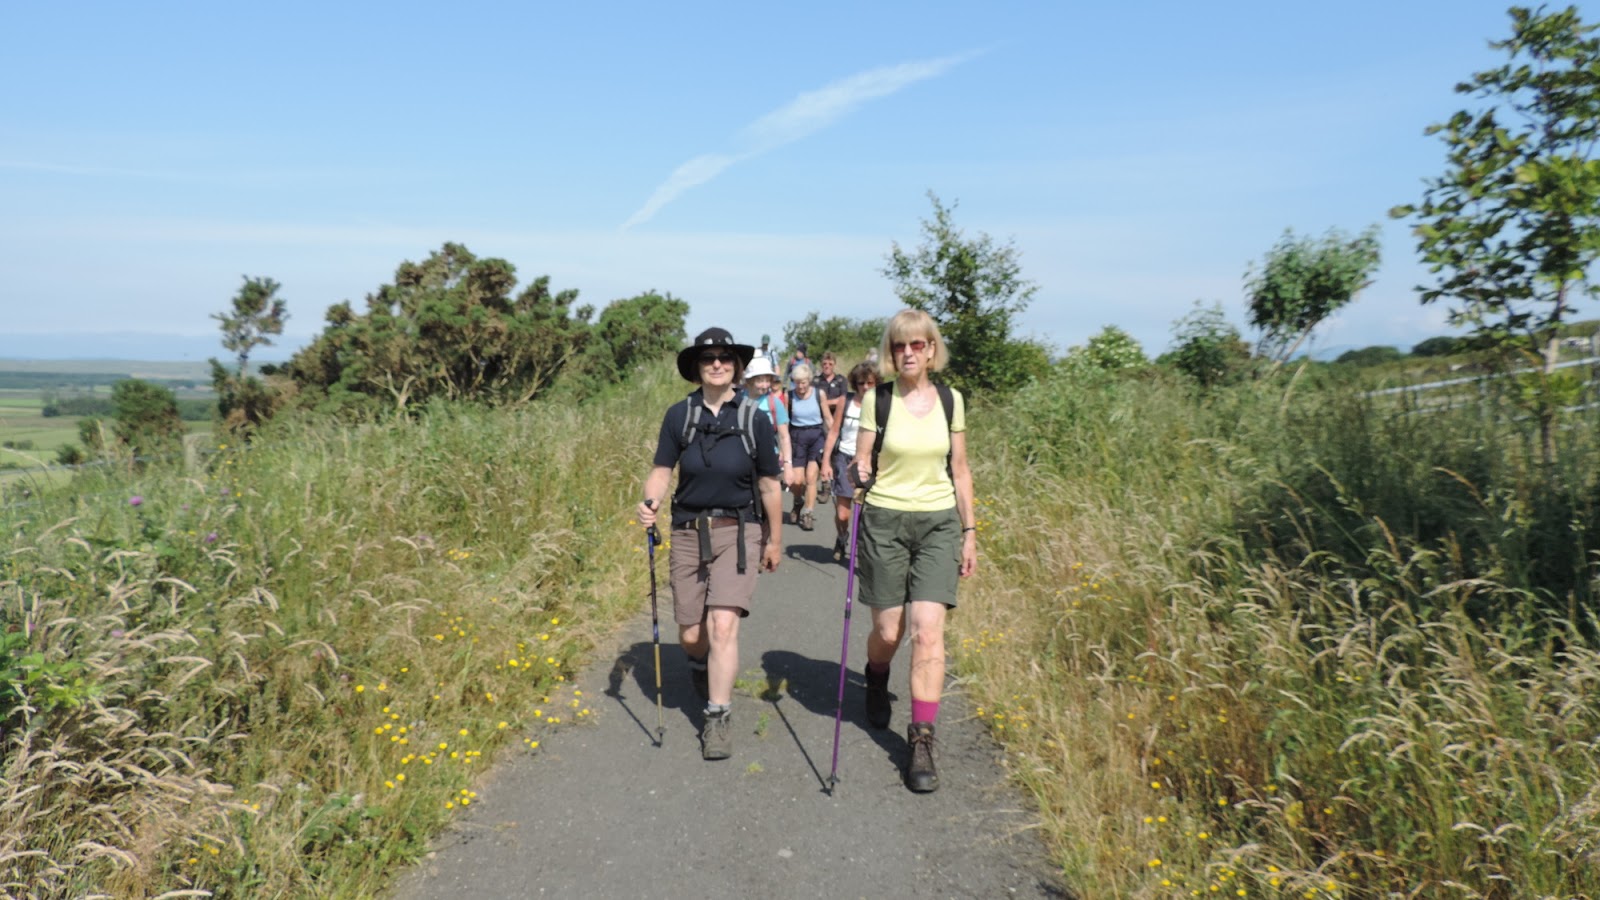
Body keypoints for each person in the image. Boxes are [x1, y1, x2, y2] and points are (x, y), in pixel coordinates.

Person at [638, 328, 784, 761]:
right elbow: (662, 470)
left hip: (738, 532)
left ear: (736, 366)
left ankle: (717, 716)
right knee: (690, 633)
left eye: (724, 357)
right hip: (687, 530)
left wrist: (775, 539)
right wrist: (650, 502)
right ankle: (699, 665)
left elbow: (770, 484)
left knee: (723, 625)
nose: (717, 364)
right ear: (698, 368)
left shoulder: (753, 417)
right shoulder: (678, 415)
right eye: (708, 359)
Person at [851, 309, 977, 793]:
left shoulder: (951, 401)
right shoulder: (876, 401)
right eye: (900, 346)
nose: (908, 353)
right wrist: (856, 476)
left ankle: (922, 739)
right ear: (892, 351)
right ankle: (877, 674)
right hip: (884, 519)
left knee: (927, 632)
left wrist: (969, 532)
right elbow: (862, 461)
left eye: (918, 345)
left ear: (931, 350)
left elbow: (960, 469)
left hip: (939, 522)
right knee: (889, 630)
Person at [820, 361, 876, 560]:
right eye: (861, 383)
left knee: (867, 516)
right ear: (855, 383)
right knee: (844, 514)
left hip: (870, 461)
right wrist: (826, 461)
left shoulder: (881, 404)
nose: (866, 387)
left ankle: (864, 549)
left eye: (870, 383)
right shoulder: (847, 401)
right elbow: (834, 432)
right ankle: (842, 536)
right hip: (844, 458)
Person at [783, 363, 833, 530]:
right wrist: (782, 447)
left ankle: (808, 514)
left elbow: (827, 417)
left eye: (804, 382)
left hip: (816, 436)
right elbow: (784, 423)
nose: (801, 386)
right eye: (797, 382)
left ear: (809, 381)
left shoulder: (819, 394)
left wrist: (834, 438)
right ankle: (798, 501)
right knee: (797, 481)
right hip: (796, 437)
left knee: (811, 477)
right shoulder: (789, 396)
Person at [742, 356, 800, 494]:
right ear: (749, 381)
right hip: (742, 457)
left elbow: (784, 437)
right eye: (760, 380)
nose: (765, 385)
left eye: (767, 380)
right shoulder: (737, 400)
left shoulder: (774, 403)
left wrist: (788, 466)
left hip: (768, 457)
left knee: (766, 497)